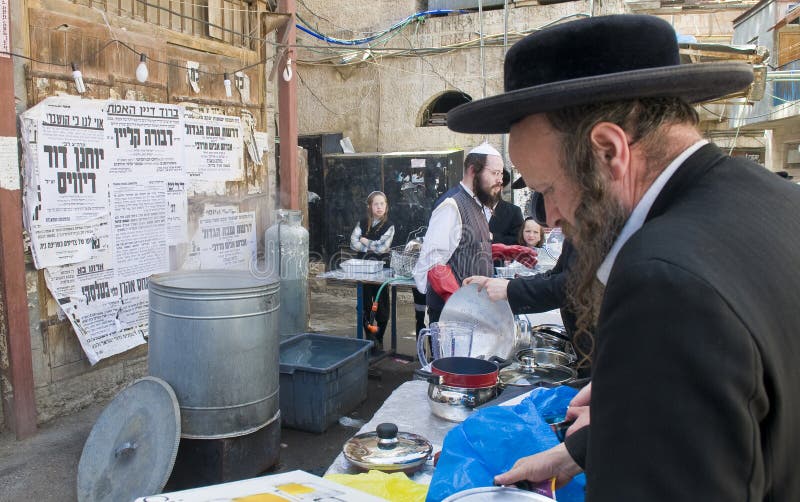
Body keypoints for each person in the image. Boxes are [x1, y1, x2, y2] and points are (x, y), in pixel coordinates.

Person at [448, 14, 800, 501]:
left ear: (610, 151)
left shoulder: (662, 282)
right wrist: (593, 444)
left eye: (548, 189)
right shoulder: (777, 199)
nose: (549, 218)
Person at [413, 143, 536, 323]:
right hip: (451, 317)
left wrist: (503, 251)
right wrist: (459, 303)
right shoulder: (451, 205)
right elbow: (432, 264)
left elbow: (465, 248)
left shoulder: (479, 204)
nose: (500, 180)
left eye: (501, 174)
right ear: (473, 171)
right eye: (495, 173)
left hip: (472, 311)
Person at [350, 191, 394, 352]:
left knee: (382, 306)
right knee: (365, 305)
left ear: (386, 206)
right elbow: (353, 243)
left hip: (381, 270)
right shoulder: (362, 223)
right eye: (376, 204)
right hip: (363, 270)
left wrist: (365, 241)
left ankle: (379, 337)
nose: (379, 207)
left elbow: (383, 248)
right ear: (370, 206)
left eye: (382, 204)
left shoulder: (389, 225)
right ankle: (370, 337)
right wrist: (373, 245)